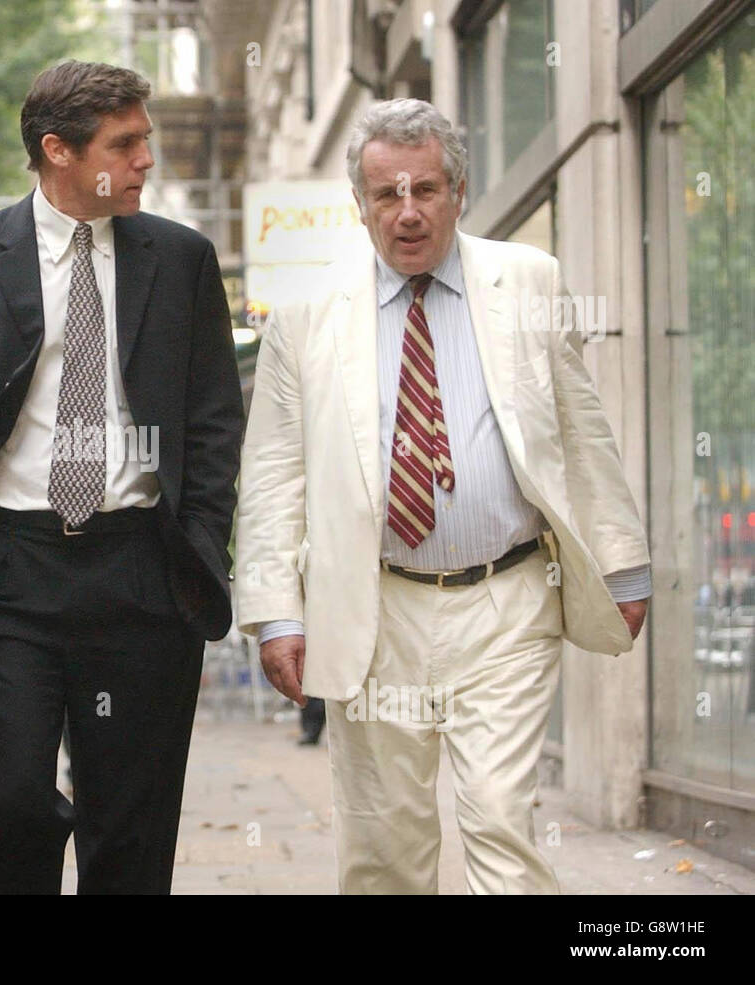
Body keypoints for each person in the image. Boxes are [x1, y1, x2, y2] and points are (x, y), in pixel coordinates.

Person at [235, 98, 651, 895]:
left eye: (425, 189)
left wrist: (622, 563)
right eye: (385, 194)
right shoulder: (307, 315)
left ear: (458, 191)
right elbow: (275, 471)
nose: (407, 212)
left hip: (509, 597)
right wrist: (277, 612)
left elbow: (581, 429)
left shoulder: (528, 280)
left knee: (498, 813)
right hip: (373, 605)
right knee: (385, 840)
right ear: (358, 206)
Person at [0, 60, 243, 894]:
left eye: (145, 142)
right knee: (13, 802)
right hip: (2, 573)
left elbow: (212, 422)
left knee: (131, 825)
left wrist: (195, 545)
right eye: (125, 145)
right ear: (57, 150)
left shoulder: (183, 259)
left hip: (139, 571)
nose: (145, 162)